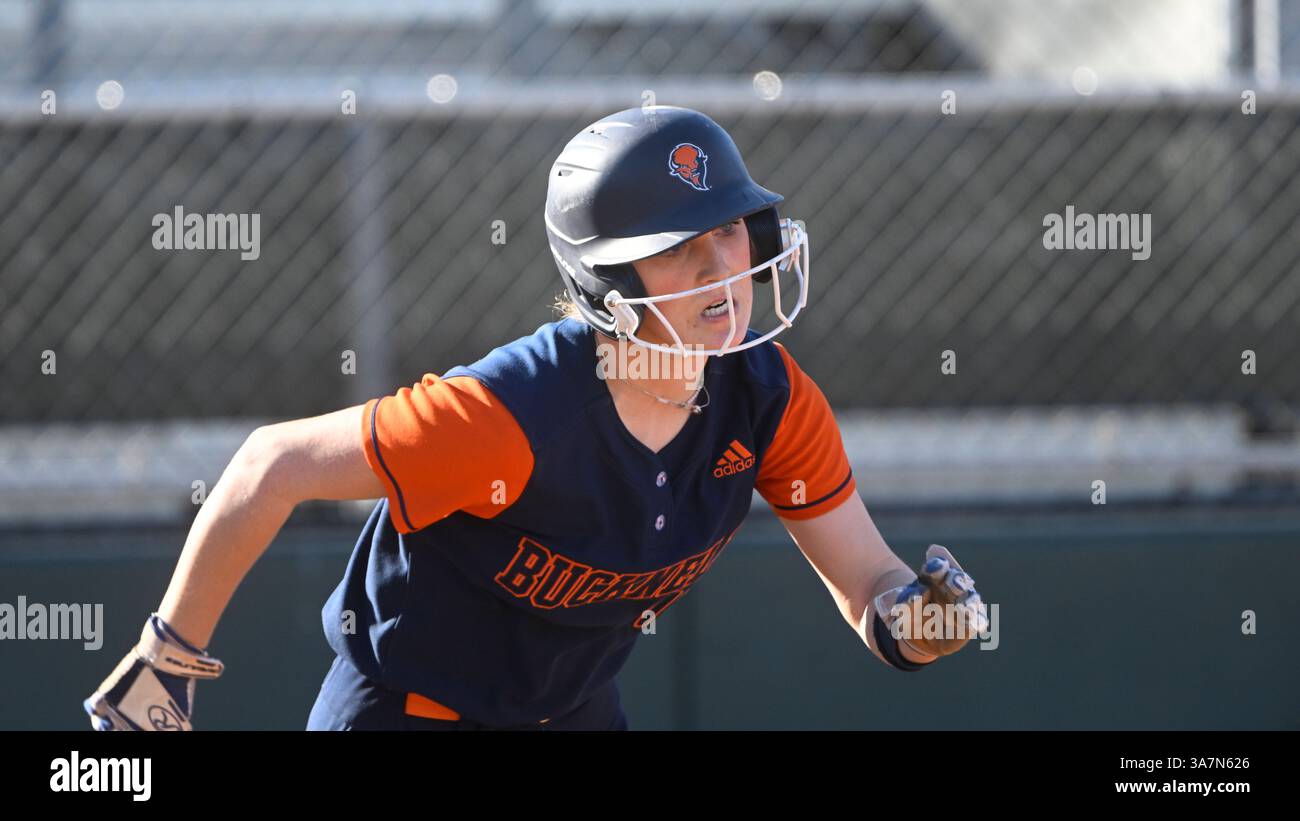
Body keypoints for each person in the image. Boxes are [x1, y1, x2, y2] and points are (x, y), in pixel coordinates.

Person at [84, 105, 986, 732]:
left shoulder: (769, 398)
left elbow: (873, 584)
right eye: (681, 249)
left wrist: (926, 623)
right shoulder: (507, 419)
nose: (724, 268)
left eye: (733, 231)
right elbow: (267, 464)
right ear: (612, 287)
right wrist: (167, 658)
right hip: (411, 712)